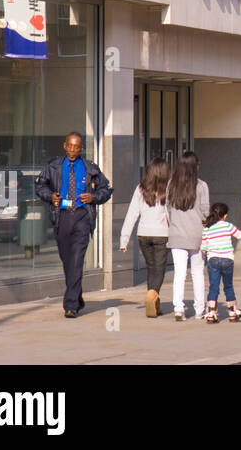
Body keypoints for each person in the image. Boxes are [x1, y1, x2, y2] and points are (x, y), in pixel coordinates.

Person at [35, 132, 112, 318]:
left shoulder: (90, 168)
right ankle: (76, 297)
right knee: (67, 260)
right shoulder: (53, 166)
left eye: (76, 147)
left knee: (77, 259)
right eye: (69, 146)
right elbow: (39, 186)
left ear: (81, 149)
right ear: (64, 146)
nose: (72, 150)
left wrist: (93, 197)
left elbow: (106, 189)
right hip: (61, 216)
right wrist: (50, 196)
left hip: (82, 217)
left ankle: (70, 305)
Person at [118, 156, 170, 318]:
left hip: (143, 234)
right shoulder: (168, 188)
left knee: (151, 268)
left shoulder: (141, 188)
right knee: (159, 269)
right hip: (162, 234)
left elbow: (132, 214)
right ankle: (152, 295)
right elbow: (171, 214)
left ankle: (155, 303)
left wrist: (124, 239)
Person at [166, 151, 210, 321]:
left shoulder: (171, 185)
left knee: (179, 273)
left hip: (176, 234)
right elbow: (205, 211)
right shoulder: (201, 186)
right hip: (196, 234)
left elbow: (167, 209)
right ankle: (199, 309)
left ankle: (178, 308)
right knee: (198, 272)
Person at [200, 202, 241, 323]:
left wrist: (206, 253)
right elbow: (240, 236)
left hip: (213, 259)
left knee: (214, 287)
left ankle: (211, 312)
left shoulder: (207, 228)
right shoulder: (228, 226)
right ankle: (232, 311)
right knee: (228, 286)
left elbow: (204, 247)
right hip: (227, 259)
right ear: (224, 216)